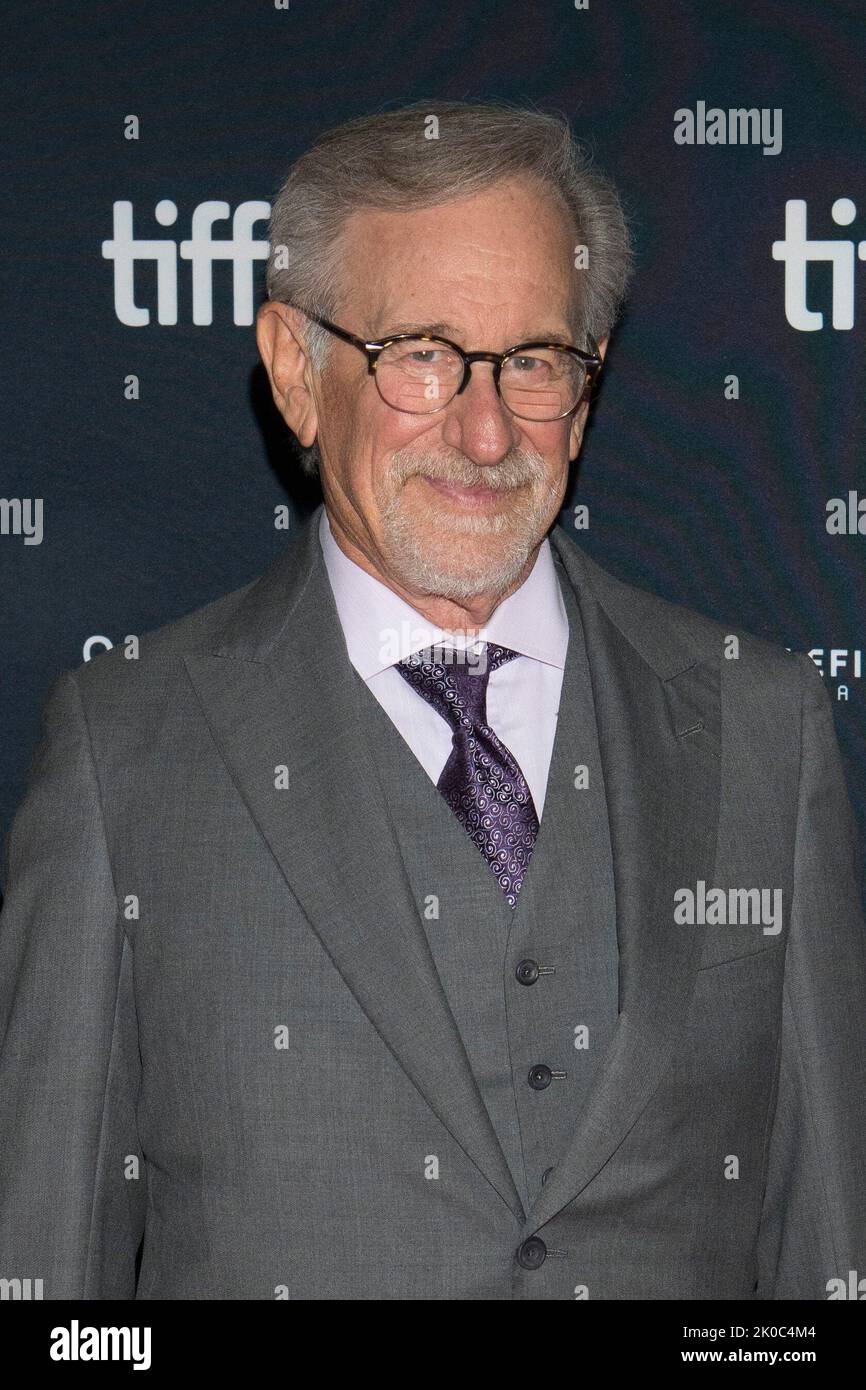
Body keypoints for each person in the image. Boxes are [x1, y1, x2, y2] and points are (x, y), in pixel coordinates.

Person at [1, 100, 864, 1300]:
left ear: (590, 380)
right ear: (297, 373)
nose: (483, 425)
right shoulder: (126, 749)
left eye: (532, 362)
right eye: (420, 353)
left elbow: (829, 1259)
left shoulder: (764, 729)